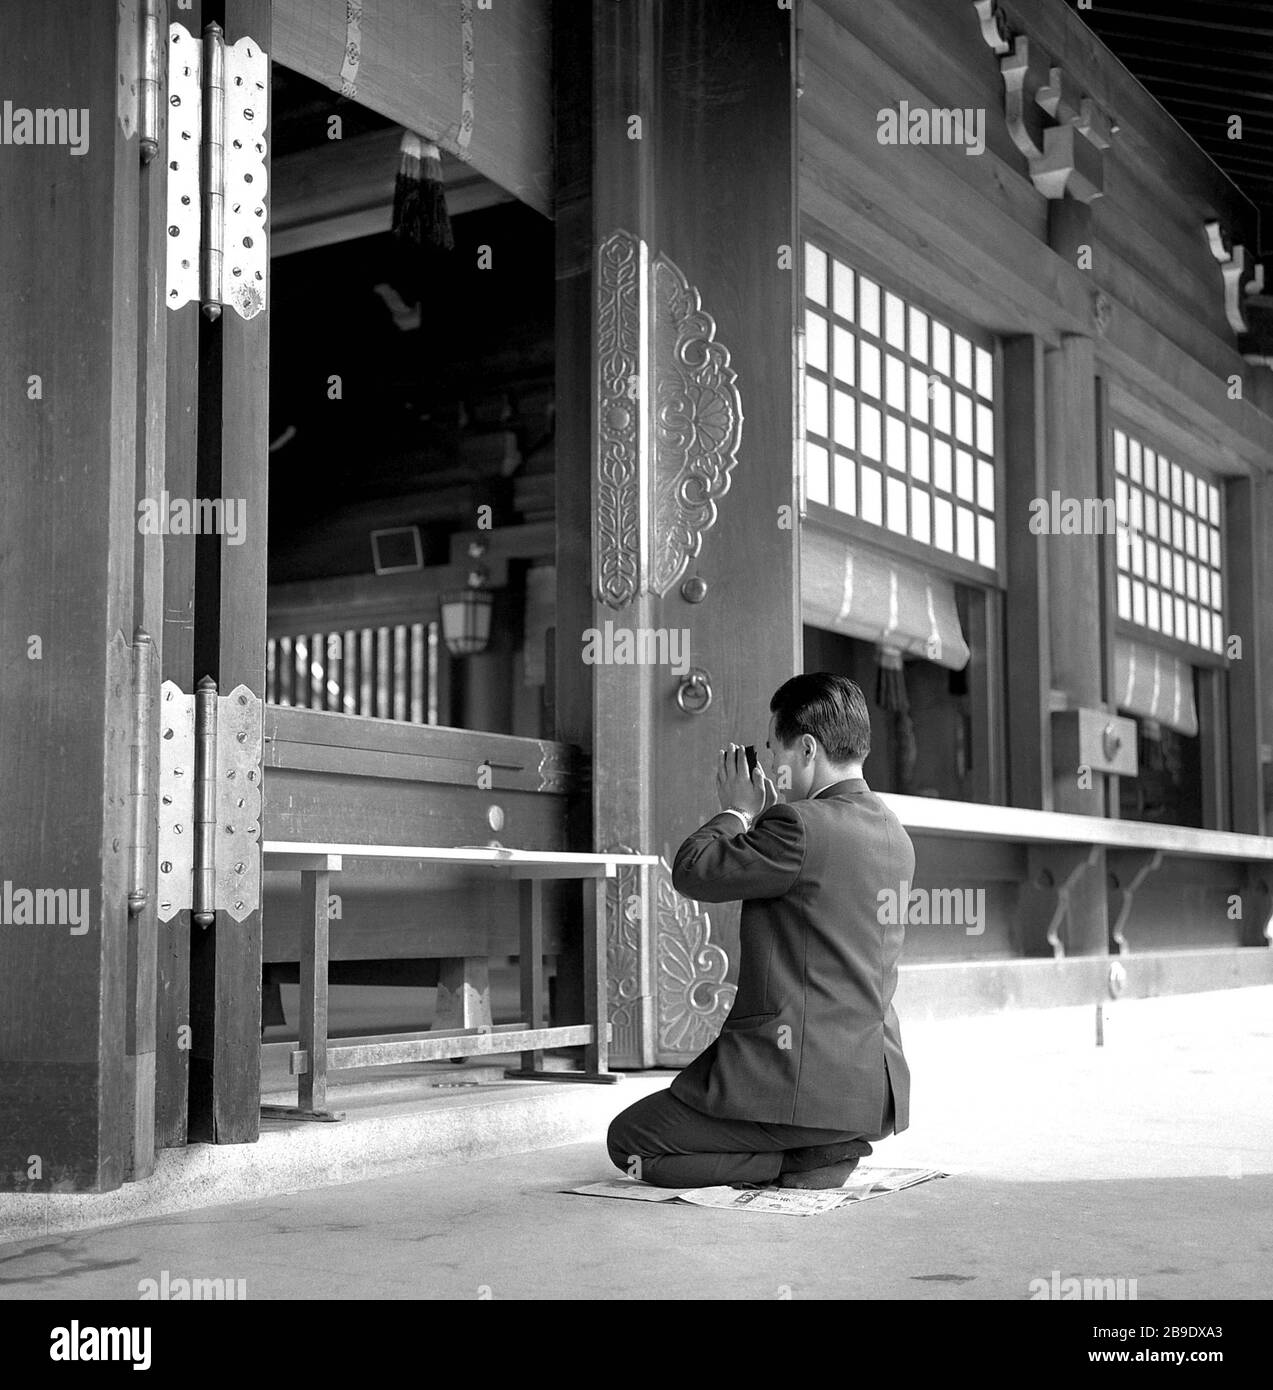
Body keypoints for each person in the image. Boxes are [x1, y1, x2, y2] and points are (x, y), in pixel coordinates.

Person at [606, 672, 915, 1189]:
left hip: (791, 1079)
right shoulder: (894, 833)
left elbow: (693, 870)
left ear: (809, 748)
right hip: (867, 1089)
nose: (773, 765)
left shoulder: (797, 825)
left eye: (777, 749)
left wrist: (737, 810)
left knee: (632, 1142)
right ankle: (822, 1145)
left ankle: (797, 1159)